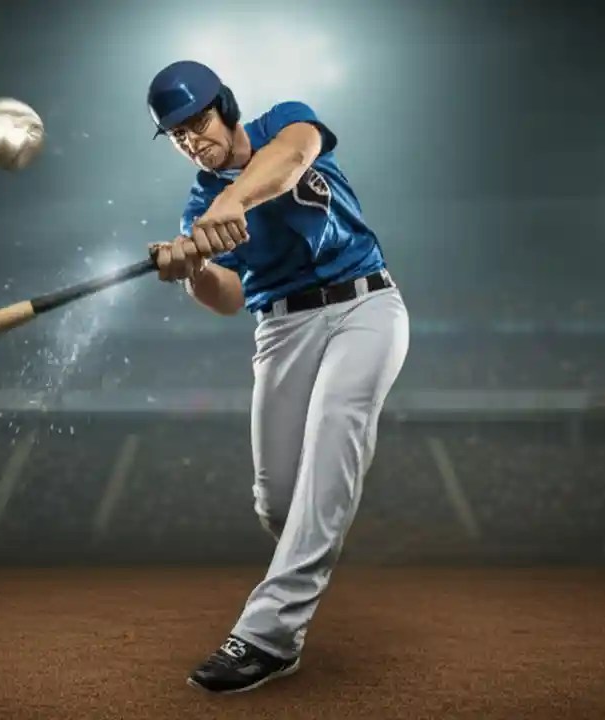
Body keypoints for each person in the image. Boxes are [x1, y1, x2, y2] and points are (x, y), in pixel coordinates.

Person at [146, 60, 410, 694]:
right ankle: (315, 533)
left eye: (197, 121)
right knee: (280, 501)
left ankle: (266, 637)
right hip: (281, 328)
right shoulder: (195, 207)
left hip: (364, 305)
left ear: (227, 106)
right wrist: (192, 268)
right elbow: (229, 297)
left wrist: (231, 201)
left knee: (331, 443)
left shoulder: (283, 121)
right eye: (177, 134)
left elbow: (291, 160)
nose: (191, 139)